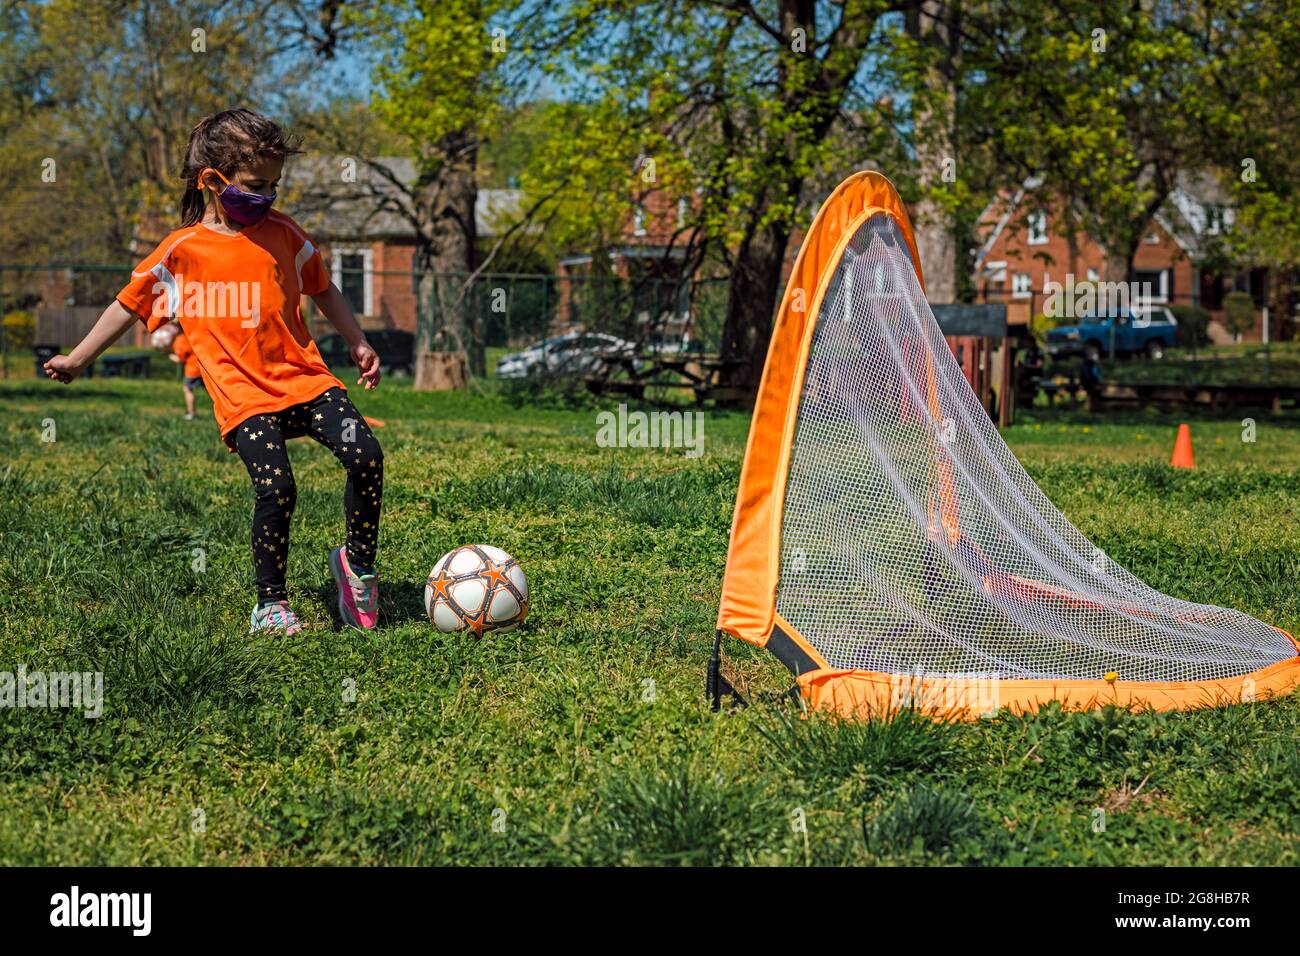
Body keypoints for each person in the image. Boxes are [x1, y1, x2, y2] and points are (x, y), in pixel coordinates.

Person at [43, 108, 384, 635]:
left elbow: (323, 288)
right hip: (243, 397)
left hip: (307, 382)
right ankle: (271, 603)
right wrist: (78, 358)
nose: (266, 196)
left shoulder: (287, 234)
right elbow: (127, 307)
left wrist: (358, 341)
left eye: (273, 185)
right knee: (278, 488)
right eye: (254, 185)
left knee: (366, 456)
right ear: (212, 180)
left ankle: (357, 567)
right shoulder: (180, 253)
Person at [168, 325, 203, 420]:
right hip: (203, 365)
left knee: (187, 389)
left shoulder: (180, 339)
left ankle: (191, 413)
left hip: (192, 368)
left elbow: (180, 359)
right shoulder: (190, 334)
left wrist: (169, 355)